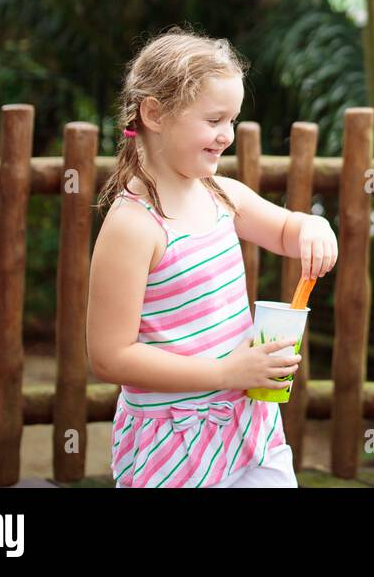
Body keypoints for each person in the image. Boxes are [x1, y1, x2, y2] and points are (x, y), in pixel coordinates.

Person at [86, 27, 338, 487]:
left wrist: (312, 227)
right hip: (174, 446)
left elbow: (286, 230)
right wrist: (225, 372)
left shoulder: (221, 195)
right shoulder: (133, 226)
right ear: (154, 113)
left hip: (250, 428)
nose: (226, 136)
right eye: (214, 120)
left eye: (232, 121)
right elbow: (109, 357)